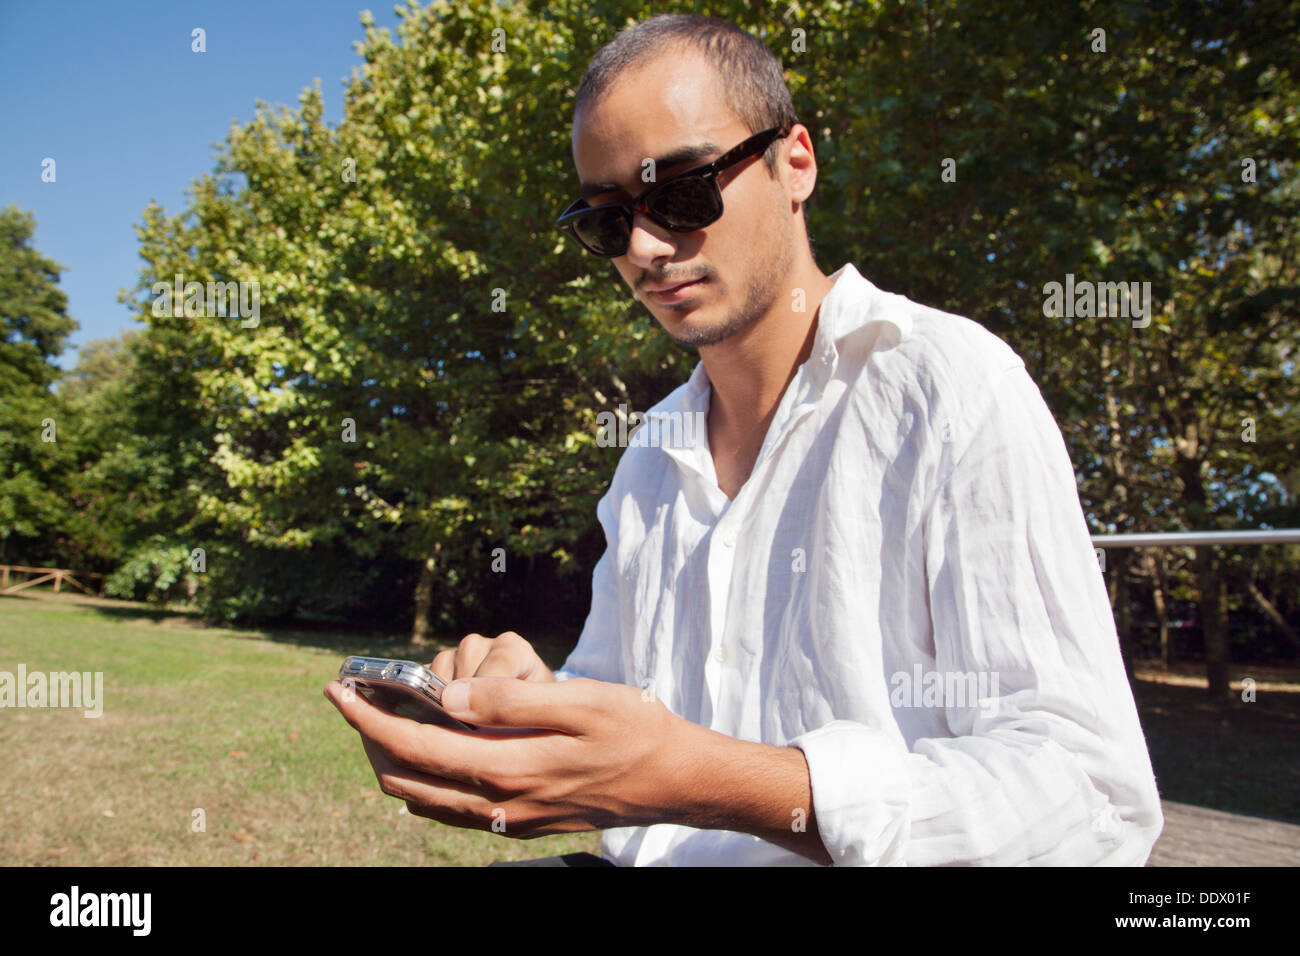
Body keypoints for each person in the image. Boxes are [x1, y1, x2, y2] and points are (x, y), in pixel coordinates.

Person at [325, 13, 1164, 866]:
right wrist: (531, 698)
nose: (647, 249)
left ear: (793, 162)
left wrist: (715, 782)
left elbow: (1089, 796)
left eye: (682, 191)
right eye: (607, 223)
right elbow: (625, 711)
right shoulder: (650, 454)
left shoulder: (949, 388)